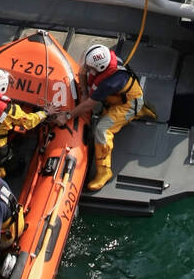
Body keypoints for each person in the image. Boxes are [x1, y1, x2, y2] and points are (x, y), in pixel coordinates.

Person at [64, 44, 155, 192]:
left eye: (89, 67)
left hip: (128, 105)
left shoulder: (110, 82)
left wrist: (68, 115)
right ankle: (140, 110)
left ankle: (104, 171)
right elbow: (86, 79)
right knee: (102, 116)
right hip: (115, 100)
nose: (86, 69)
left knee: (102, 130)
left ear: (100, 67)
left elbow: (88, 105)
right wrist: (84, 84)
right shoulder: (107, 64)